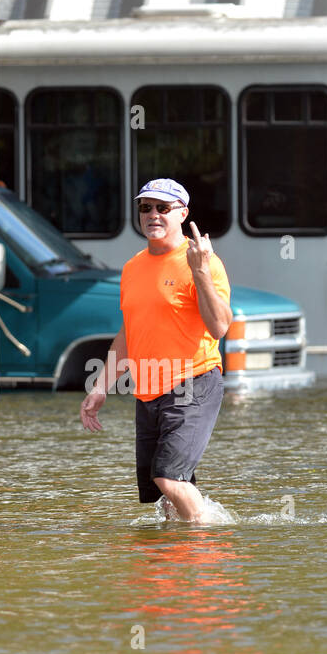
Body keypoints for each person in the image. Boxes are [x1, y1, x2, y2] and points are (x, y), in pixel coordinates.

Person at [80, 177, 233, 522]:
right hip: (148, 391)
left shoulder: (202, 262)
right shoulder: (133, 267)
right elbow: (127, 333)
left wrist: (201, 272)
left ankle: (207, 547)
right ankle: (172, 568)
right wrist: (101, 386)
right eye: (145, 207)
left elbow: (220, 327)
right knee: (162, 496)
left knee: (168, 477)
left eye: (163, 208)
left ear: (183, 213)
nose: (153, 214)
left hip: (192, 383)